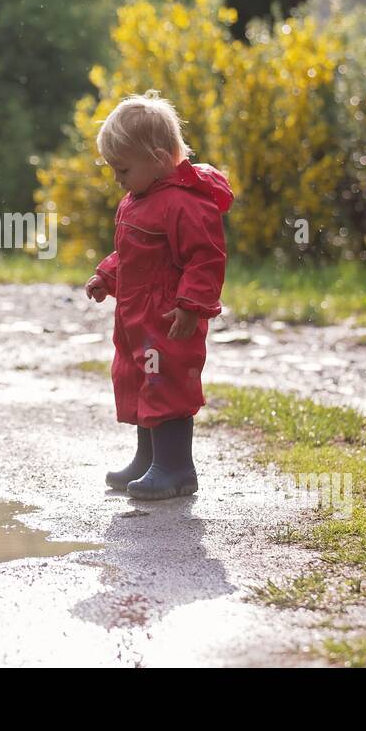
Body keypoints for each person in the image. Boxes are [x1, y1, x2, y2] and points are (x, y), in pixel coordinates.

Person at [84, 90, 233, 500]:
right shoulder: (137, 201)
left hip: (168, 317)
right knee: (138, 380)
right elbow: (132, 254)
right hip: (136, 316)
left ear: (160, 156)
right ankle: (147, 459)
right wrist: (107, 276)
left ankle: (176, 468)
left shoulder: (185, 204)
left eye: (124, 169)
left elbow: (205, 258)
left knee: (165, 383)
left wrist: (191, 307)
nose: (118, 179)